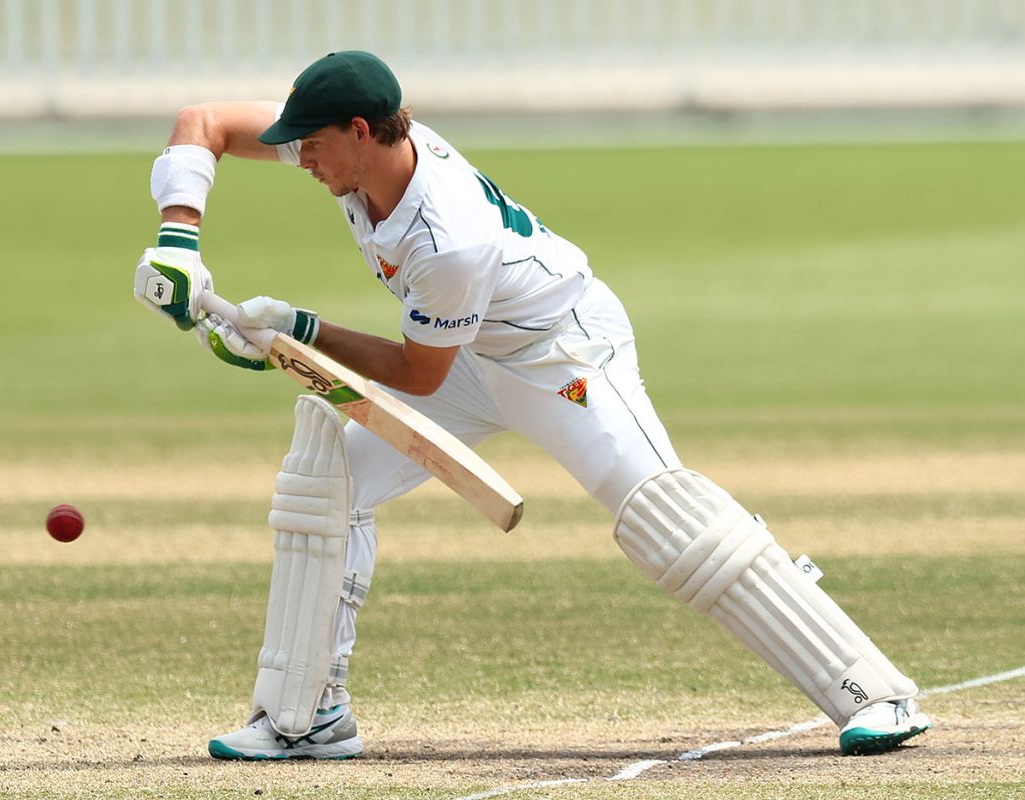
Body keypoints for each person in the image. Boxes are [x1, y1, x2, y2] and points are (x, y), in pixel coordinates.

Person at [134, 51, 930, 760]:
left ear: (361, 130)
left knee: (667, 519)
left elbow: (416, 374)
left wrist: (298, 331)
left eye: (312, 142)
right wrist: (178, 240)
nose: (298, 156)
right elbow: (200, 121)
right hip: (474, 355)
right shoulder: (355, 152)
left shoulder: (449, 238)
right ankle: (306, 718)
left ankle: (873, 689)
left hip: (562, 356)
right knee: (326, 484)